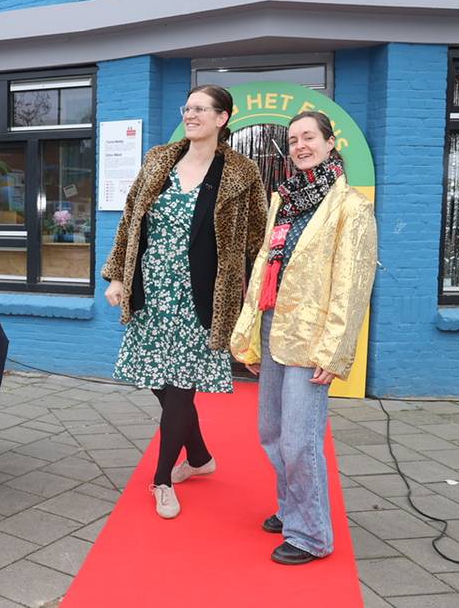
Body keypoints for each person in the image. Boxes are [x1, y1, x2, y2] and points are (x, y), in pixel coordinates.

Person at [103, 85, 267, 519]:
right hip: (152, 289)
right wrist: (118, 274)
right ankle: (198, 456)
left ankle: (160, 480)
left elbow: (257, 241)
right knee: (160, 380)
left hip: (203, 295)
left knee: (178, 388)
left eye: (200, 109)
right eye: (187, 108)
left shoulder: (241, 173)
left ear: (222, 118)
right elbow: (130, 218)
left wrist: (255, 298)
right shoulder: (160, 159)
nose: (191, 115)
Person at [230, 110, 377, 565]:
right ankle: (290, 505)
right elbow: (262, 270)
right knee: (270, 431)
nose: (300, 146)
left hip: (314, 338)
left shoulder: (352, 208)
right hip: (275, 328)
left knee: (299, 439)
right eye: (293, 140)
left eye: (309, 137)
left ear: (331, 143)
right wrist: (248, 333)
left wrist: (335, 352)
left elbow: (352, 286)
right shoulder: (286, 201)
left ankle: (311, 534)